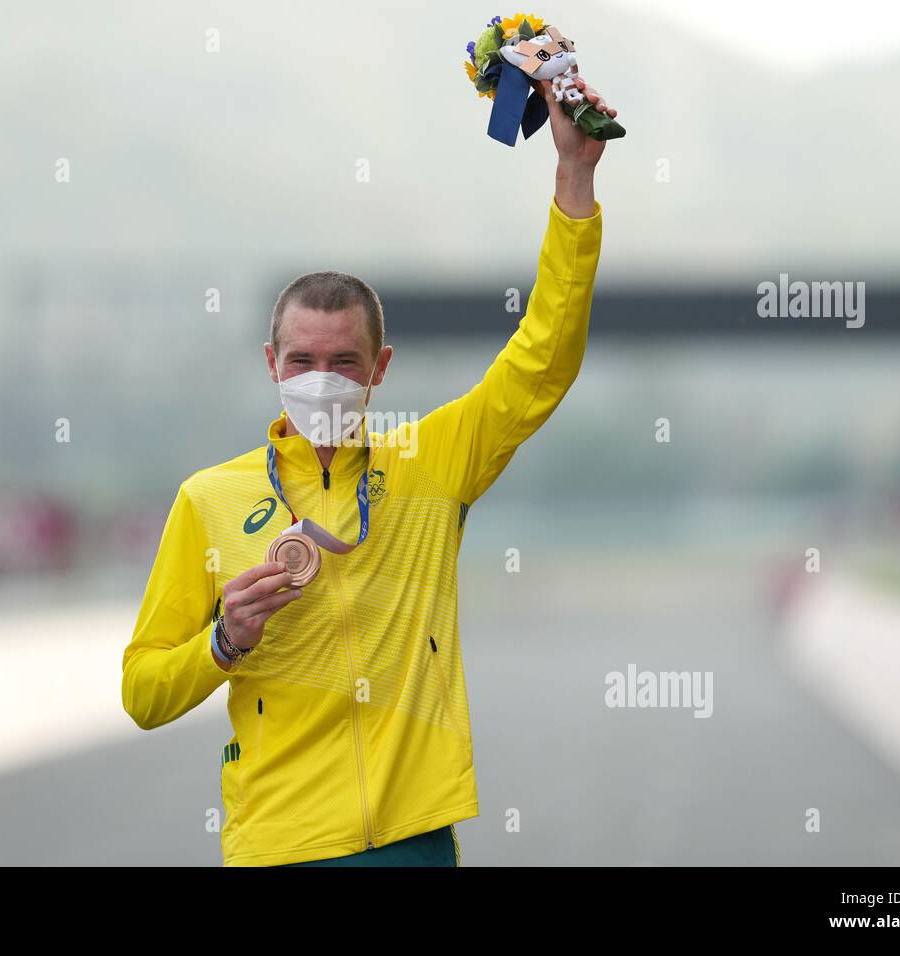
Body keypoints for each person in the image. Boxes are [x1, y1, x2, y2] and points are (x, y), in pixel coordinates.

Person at [122, 77, 615, 867]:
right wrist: (223, 641)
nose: (324, 379)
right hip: (278, 845)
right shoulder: (208, 499)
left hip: (410, 838)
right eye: (304, 361)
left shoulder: (430, 458)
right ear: (271, 365)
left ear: (379, 367)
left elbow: (543, 357)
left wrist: (575, 178)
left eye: (344, 361)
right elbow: (143, 693)